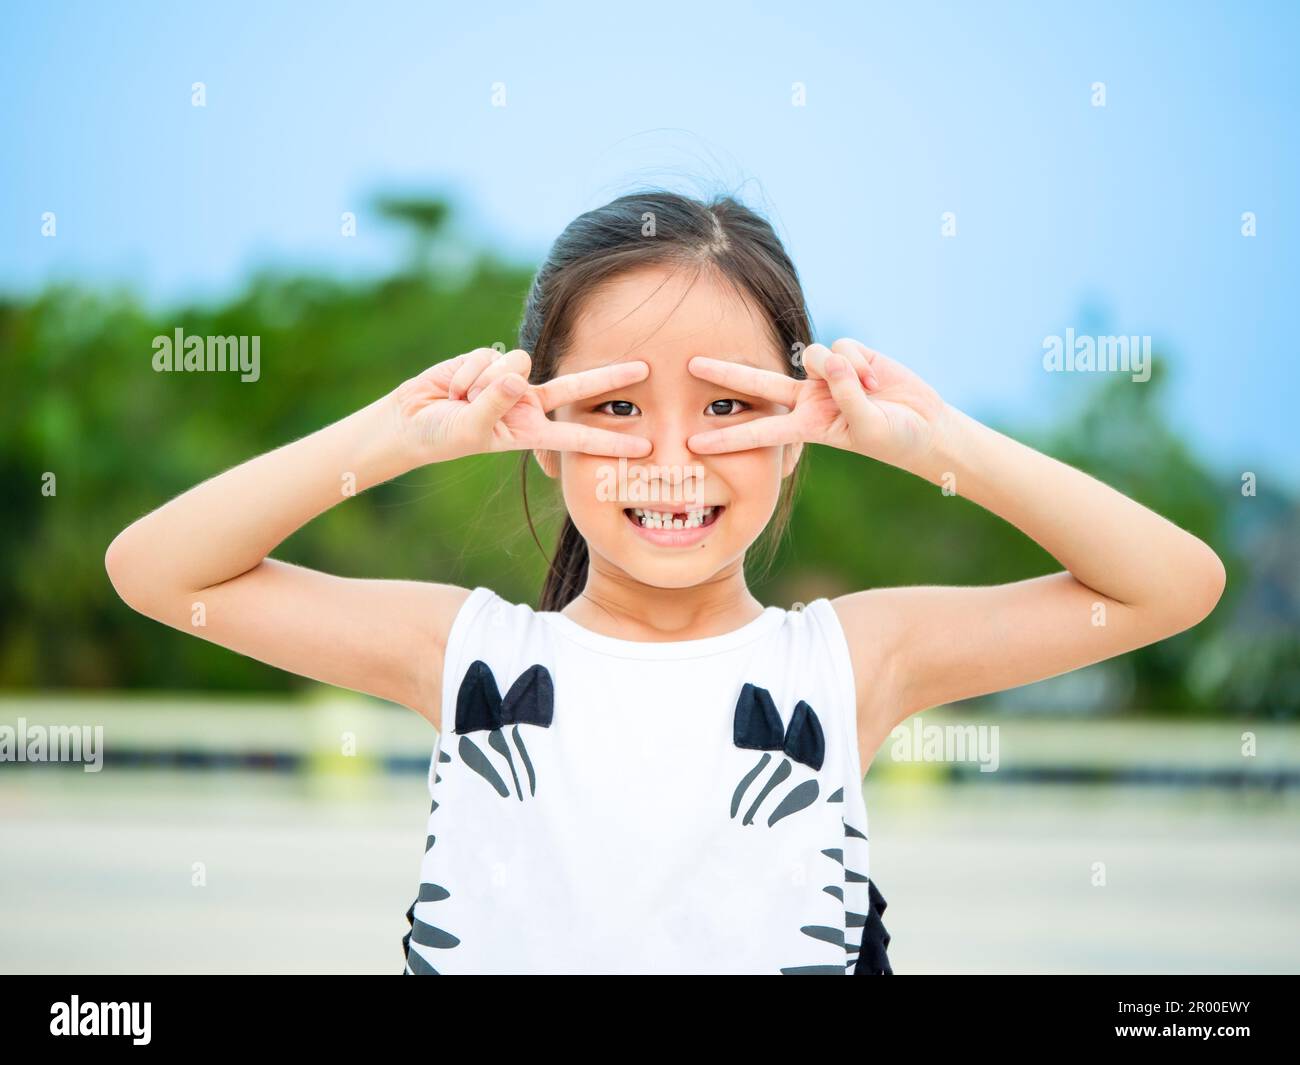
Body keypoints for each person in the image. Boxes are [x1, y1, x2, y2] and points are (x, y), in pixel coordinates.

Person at [105, 191, 1226, 975]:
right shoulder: (473, 657)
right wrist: (397, 437)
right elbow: (157, 569)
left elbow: (1169, 587)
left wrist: (932, 443)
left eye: (728, 407)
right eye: (615, 405)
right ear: (542, 431)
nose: (672, 458)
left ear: (798, 433)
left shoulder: (846, 663)